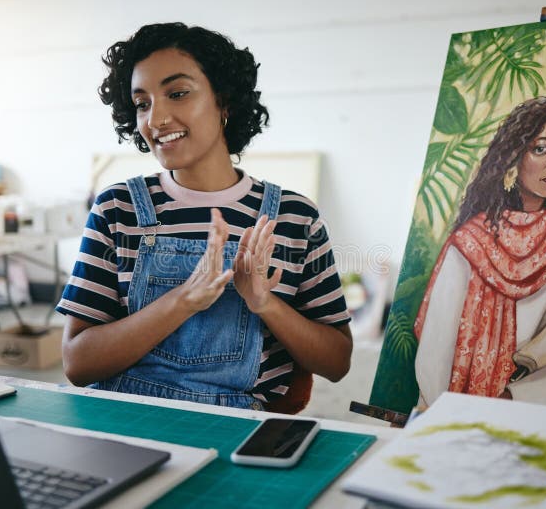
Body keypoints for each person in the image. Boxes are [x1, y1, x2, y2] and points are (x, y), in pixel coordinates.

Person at [57, 23, 352, 413]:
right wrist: (183, 300)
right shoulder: (117, 210)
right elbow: (77, 364)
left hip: (240, 431)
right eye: (142, 103)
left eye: (177, 94)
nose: (156, 119)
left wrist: (266, 304)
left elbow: (337, 363)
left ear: (224, 102)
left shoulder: (296, 218)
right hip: (125, 419)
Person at [414, 95, 546, 410]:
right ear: (514, 157)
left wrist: (510, 401)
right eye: (542, 148)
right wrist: (455, 413)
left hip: (528, 422)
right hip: (448, 418)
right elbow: (435, 352)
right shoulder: (469, 245)